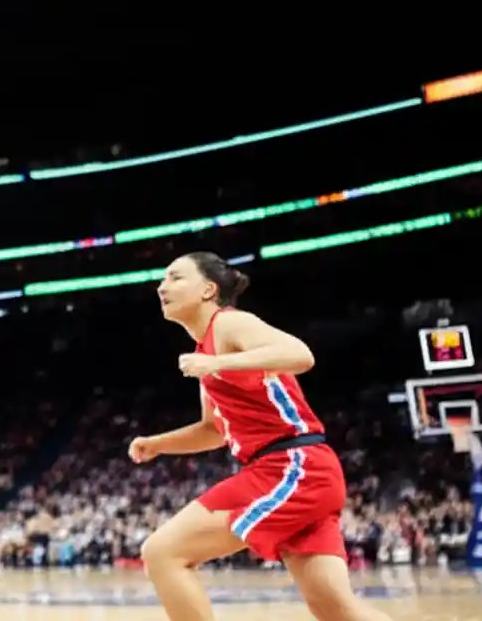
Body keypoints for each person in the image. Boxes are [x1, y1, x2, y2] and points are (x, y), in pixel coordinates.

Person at [129, 252, 393, 621]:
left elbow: (300, 354)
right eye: (163, 279)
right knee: (337, 610)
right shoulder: (205, 352)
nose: (162, 287)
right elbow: (215, 431)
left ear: (208, 290)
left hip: (292, 467)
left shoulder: (229, 323)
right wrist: (158, 443)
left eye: (175, 277)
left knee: (162, 552)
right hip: (305, 471)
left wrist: (217, 364)